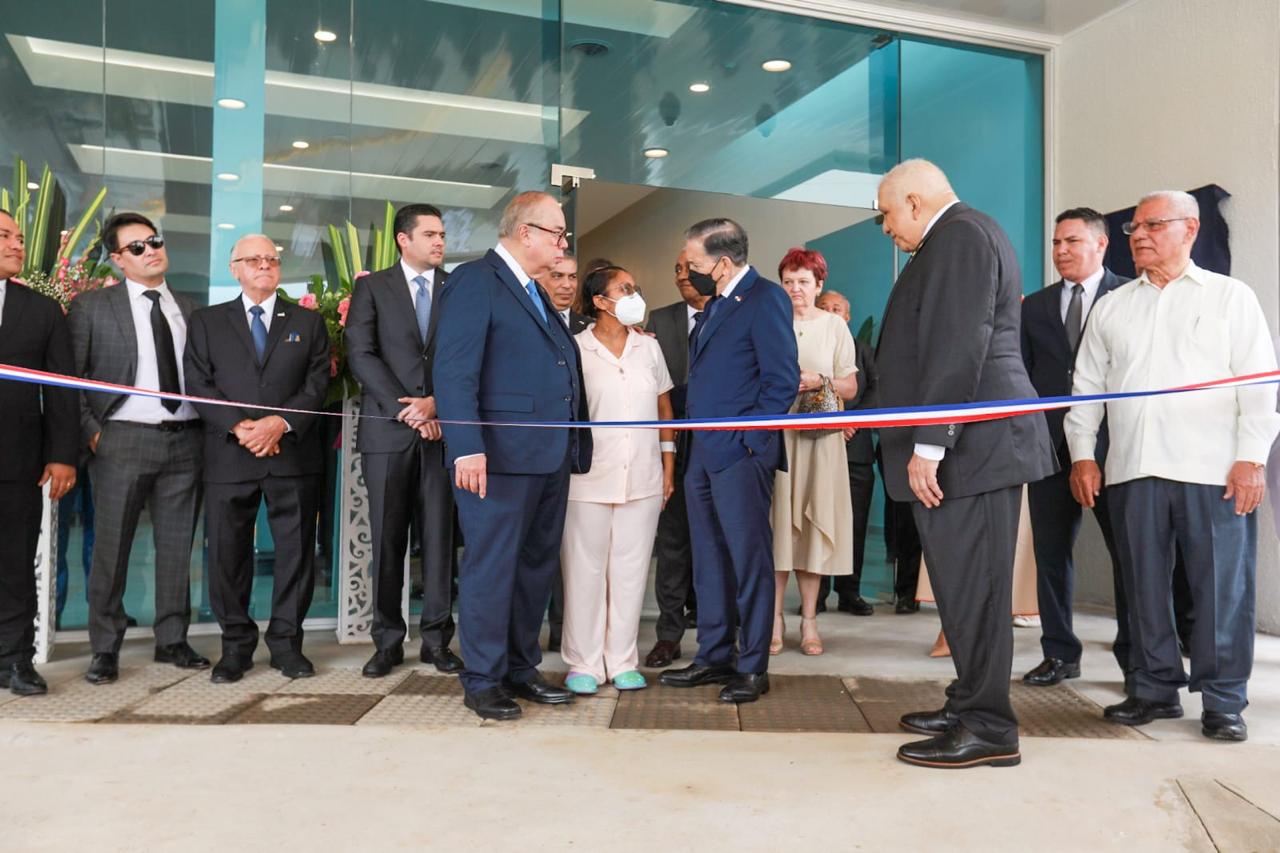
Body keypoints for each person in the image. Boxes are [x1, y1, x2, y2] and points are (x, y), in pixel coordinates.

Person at [1066, 190, 1280, 742]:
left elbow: (1259, 386)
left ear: (1190, 228)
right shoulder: (1113, 306)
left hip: (1214, 472)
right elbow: (1085, 389)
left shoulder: (1231, 298)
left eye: (1152, 225)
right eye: (1134, 226)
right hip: (1133, 469)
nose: (1138, 235)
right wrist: (1084, 456)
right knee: (1140, 585)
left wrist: (1251, 458)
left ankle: (1222, 700)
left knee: (1220, 590)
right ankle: (1153, 688)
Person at [875, 159, 1055, 769]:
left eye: (888, 213)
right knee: (960, 586)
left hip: (972, 448)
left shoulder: (961, 236)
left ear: (916, 201)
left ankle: (989, 728)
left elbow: (959, 343)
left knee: (975, 589)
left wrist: (931, 444)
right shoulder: (956, 237)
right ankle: (968, 702)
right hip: (969, 446)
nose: (886, 227)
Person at [433, 191, 591, 721]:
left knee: (533, 571)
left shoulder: (536, 292)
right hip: (496, 458)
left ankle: (521, 670)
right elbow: (454, 372)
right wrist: (467, 448)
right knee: (491, 569)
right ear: (526, 232)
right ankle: (482, 679)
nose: (563, 242)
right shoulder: (477, 281)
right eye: (557, 232)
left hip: (546, 456)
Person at [658, 218, 798, 704]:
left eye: (694, 263)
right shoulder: (716, 304)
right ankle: (713, 656)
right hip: (702, 454)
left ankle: (752, 666)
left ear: (721, 262)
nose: (689, 271)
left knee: (749, 561)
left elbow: (780, 381)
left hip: (739, 455)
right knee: (709, 560)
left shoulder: (766, 299)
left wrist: (748, 444)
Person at [67, 212, 209, 685]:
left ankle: (172, 641)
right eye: (137, 247)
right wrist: (93, 431)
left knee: (176, 548)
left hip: (185, 440)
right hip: (121, 439)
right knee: (112, 549)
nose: (151, 251)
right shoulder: (93, 307)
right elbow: (74, 379)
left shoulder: (189, 308)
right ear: (117, 260)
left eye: (155, 241)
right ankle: (105, 648)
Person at [182, 235, 330, 681]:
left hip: (291, 454)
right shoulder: (207, 321)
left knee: (296, 554)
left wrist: (278, 424)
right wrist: (241, 426)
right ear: (235, 268)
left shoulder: (308, 321)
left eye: (271, 259)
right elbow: (196, 382)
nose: (264, 265)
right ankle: (236, 647)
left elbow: (317, 383)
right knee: (227, 555)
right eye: (253, 259)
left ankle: (287, 644)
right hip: (231, 454)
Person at [344, 203, 463, 678]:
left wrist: (438, 404)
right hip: (388, 434)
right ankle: (387, 641)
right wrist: (409, 410)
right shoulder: (372, 287)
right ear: (403, 239)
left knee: (439, 541)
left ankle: (437, 641)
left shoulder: (458, 289)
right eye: (430, 234)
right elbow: (361, 353)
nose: (439, 242)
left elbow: (465, 356)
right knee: (387, 542)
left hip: (442, 434)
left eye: (442, 235)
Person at [1020, 207, 1129, 686]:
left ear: (1101, 244)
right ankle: (1060, 653)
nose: (1061, 251)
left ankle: (1136, 656)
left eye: (1072, 242)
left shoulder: (1129, 297)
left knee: (1128, 553)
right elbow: (1020, 377)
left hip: (1114, 447)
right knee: (1050, 554)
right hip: (1048, 449)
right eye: (1056, 243)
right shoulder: (1034, 306)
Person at [560, 265, 675, 693]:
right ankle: (584, 663)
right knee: (584, 571)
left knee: (630, 572)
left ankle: (623, 659)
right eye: (624, 289)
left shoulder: (649, 348)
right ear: (599, 302)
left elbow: (665, 408)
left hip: (643, 476)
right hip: (587, 479)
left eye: (635, 287)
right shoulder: (575, 349)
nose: (634, 294)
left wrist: (667, 465)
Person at [0, 210, 78, 695]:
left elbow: (63, 390)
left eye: (20, 237)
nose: (17, 244)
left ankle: (14, 661)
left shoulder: (42, 310)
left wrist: (62, 454)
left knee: (13, 566)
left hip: (18, 460)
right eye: (5, 236)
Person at [769, 248, 858, 656]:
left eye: (803, 282)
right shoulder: (770, 322)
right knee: (778, 529)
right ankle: (773, 620)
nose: (795, 289)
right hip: (779, 438)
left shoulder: (835, 327)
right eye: (788, 282)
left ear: (818, 285)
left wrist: (817, 380)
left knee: (814, 528)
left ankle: (808, 621)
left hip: (821, 440)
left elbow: (850, 388)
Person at [642, 251, 706, 667]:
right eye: (676, 268)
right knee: (672, 544)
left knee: (717, 544)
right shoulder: (660, 321)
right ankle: (668, 634)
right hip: (670, 447)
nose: (682, 274)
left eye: (689, 267)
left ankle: (721, 635)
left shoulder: (730, 313)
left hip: (719, 446)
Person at [533, 251, 587, 653]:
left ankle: (566, 630)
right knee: (540, 548)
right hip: (534, 456)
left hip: (580, 458)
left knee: (574, 549)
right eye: (558, 275)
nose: (566, 284)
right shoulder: (527, 323)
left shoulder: (592, 328)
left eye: (572, 277)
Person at [815, 290, 877, 617]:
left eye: (836, 308)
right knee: (819, 522)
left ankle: (849, 591)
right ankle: (818, 594)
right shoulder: (810, 351)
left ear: (848, 316)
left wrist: (851, 423)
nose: (830, 312)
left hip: (856, 452)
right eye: (823, 308)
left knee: (855, 524)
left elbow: (878, 393)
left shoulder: (864, 352)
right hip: (818, 448)